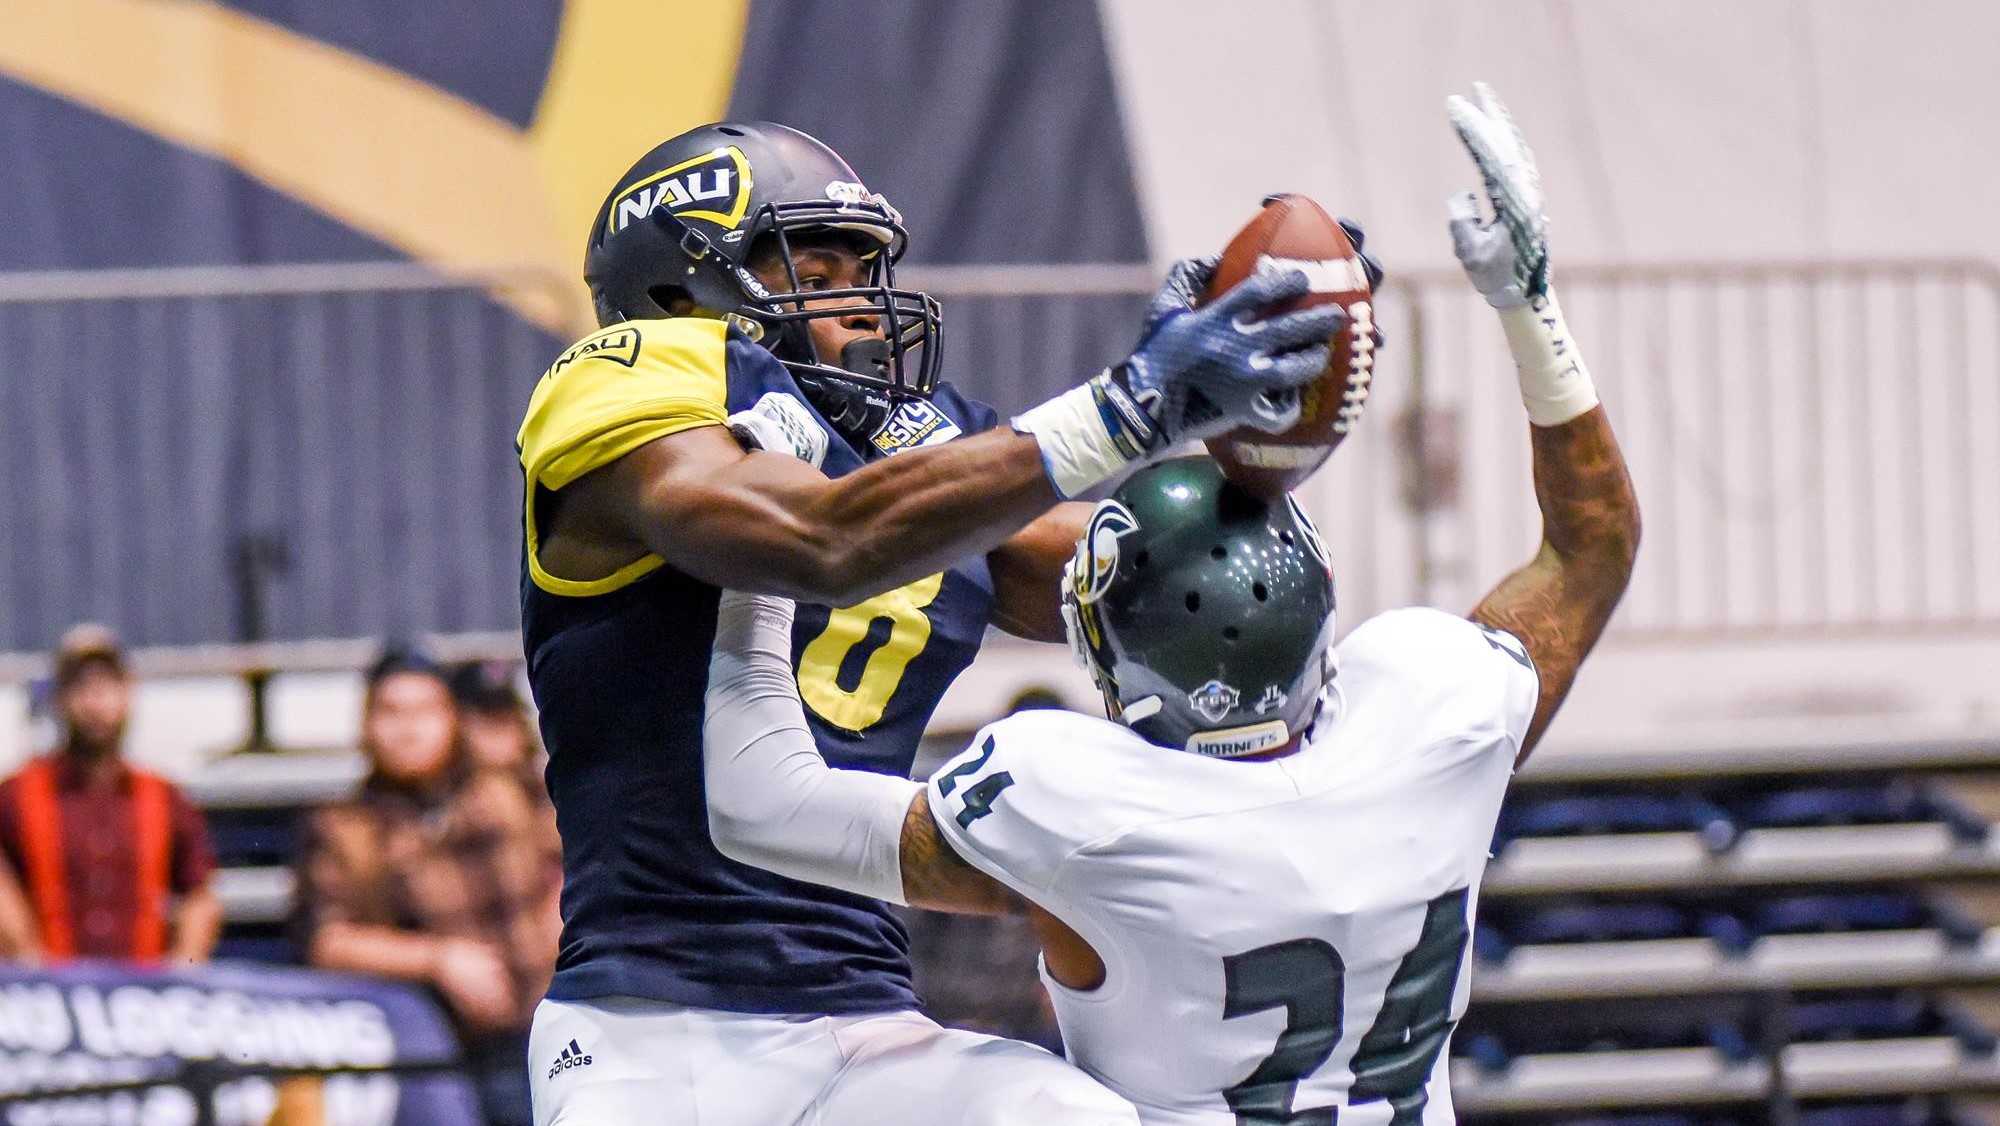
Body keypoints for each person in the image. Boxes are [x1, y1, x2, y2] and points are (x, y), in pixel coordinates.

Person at [700, 86, 1641, 1126]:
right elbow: (1589, 548)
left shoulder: (1073, 799)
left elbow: (760, 806)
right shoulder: (1432, 713)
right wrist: (1528, 308)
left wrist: (761, 564)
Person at [521, 118, 1357, 1126]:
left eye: (864, 269)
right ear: (679, 290)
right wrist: (1129, 405)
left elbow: (1148, 583)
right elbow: (817, 540)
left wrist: (1250, 423)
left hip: (861, 1017)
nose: (863, 307)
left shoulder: (915, 441)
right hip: (648, 1029)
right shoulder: (628, 375)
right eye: (815, 269)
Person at [296, 649, 562, 1126]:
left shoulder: (512, 792)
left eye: (424, 711)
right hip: (448, 1053)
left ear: (451, 718)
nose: (408, 729)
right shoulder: (346, 828)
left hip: (559, 1024)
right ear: (366, 726)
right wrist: (439, 958)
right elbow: (327, 941)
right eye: (390, 712)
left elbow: (577, 863)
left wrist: (558, 916)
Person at [0, 624, 220, 965]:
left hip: (140, 999)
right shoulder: (18, 795)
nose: (95, 702)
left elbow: (199, 894)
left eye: (107, 686)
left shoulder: (163, 798)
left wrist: (183, 965)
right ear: (60, 698)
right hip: (47, 996)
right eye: (81, 687)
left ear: (127, 692)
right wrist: (28, 960)